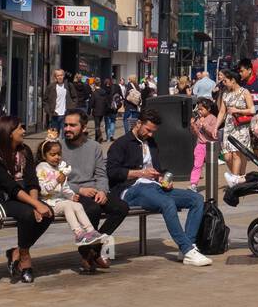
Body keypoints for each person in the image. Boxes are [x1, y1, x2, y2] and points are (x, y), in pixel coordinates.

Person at [106, 108, 211, 267]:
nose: (150, 134)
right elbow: (112, 173)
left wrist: (164, 177)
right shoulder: (121, 144)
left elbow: (159, 169)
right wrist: (140, 173)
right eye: (148, 130)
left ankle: (187, 246)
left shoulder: (152, 143)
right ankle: (188, 249)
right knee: (166, 203)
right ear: (139, 123)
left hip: (154, 187)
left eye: (153, 131)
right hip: (131, 189)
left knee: (196, 198)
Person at [0, 117, 54, 283]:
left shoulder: (25, 150)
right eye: (20, 128)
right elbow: (10, 187)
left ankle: (18, 251)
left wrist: (37, 204)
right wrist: (35, 205)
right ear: (8, 133)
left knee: (47, 213)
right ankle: (25, 258)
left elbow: (31, 181)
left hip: (23, 196)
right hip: (0, 199)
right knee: (28, 214)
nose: (24, 131)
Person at [61, 111, 130, 271]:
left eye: (72, 125)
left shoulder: (94, 147)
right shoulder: (59, 147)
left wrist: (103, 191)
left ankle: (91, 249)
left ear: (84, 127)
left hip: (94, 190)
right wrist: (80, 189)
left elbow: (101, 174)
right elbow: (55, 180)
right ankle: (90, 253)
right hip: (71, 192)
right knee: (92, 209)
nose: (67, 129)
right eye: (65, 125)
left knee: (121, 208)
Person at [35, 139, 105, 247]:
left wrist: (72, 196)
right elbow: (43, 190)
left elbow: (65, 187)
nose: (57, 157)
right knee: (67, 206)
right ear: (44, 155)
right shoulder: (41, 168)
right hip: (49, 203)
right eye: (52, 154)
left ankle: (91, 231)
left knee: (77, 205)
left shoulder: (60, 168)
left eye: (59, 154)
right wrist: (56, 181)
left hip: (60, 200)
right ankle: (79, 234)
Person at [217, 69, 255, 185]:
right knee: (227, 156)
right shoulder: (225, 93)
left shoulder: (245, 92)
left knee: (236, 154)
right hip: (229, 126)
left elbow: (252, 110)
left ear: (233, 80)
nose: (224, 83)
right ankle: (239, 176)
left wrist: (237, 110)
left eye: (225, 81)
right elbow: (222, 112)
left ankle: (234, 181)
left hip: (241, 127)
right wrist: (216, 127)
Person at [190, 98, 219, 187]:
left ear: (208, 109)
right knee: (197, 165)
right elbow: (196, 133)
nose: (200, 111)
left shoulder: (213, 118)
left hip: (211, 145)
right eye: (198, 109)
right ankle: (193, 184)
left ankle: (212, 183)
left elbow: (213, 133)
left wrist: (205, 125)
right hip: (200, 144)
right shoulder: (198, 119)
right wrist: (193, 125)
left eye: (202, 109)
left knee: (211, 165)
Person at [49, 70, 69, 135]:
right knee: (54, 135)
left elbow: (74, 97)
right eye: (58, 76)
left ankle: (63, 145)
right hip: (55, 114)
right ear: (55, 77)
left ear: (63, 76)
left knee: (64, 135)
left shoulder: (68, 86)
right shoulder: (51, 87)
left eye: (61, 75)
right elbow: (45, 100)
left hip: (64, 114)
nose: (60, 77)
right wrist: (49, 111)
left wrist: (70, 108)